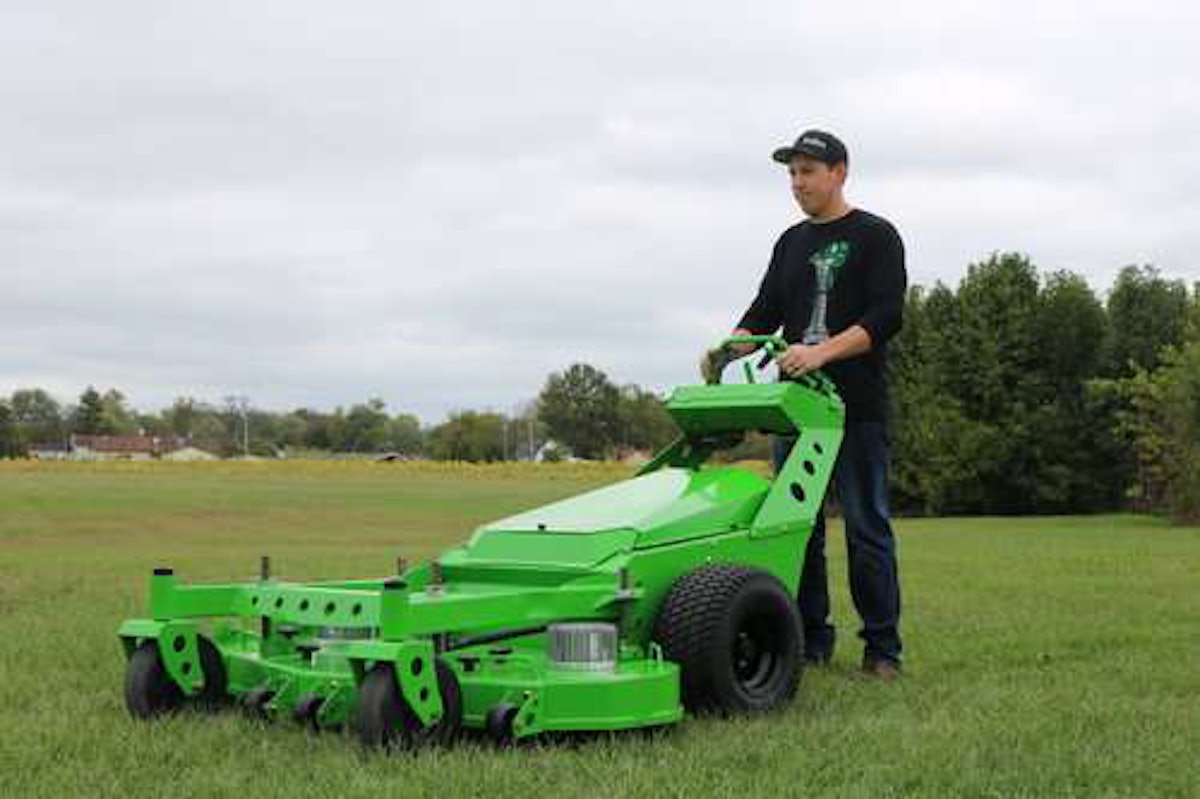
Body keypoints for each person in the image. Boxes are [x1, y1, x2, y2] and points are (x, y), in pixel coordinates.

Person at [701, 129, 907, 679]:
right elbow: (764, 310)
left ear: (840, 172)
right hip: (797, 413)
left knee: (867, 528)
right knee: (799, 529)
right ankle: (811, 641)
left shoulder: (876, 236)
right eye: (792, 173)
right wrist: (729, 348)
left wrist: (820, 353)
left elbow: (886, 318)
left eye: (808, 172)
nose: (797, 183)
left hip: (854, 411)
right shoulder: (790, 243)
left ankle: (882, 650)